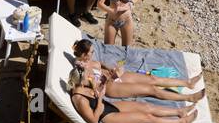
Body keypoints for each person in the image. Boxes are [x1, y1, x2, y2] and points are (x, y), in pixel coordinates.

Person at [68, 67, 197, 123]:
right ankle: (182, 122)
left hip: (106, 106)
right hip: (106, 116)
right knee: (147, 117)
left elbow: (97, 92)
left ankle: (180, 112)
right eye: (88, 76)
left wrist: (108, 80)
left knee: (146, 107)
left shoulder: (83, 87)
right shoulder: (80, 100)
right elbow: (94, 121)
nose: (91, 77)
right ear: (81, 81)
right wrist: (100, 100)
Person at [70, 40, 203, 101]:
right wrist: (111, 77)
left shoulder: (92, 61)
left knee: (153, 79)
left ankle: (187, 83)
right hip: (110, 86)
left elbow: (104, 66)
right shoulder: (81, 66)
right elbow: (95, 87)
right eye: (91, 52)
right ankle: (189, 97)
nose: (93, 54)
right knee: (152, 90)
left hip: (114, 76)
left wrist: (114, 69)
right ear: (84, 54)